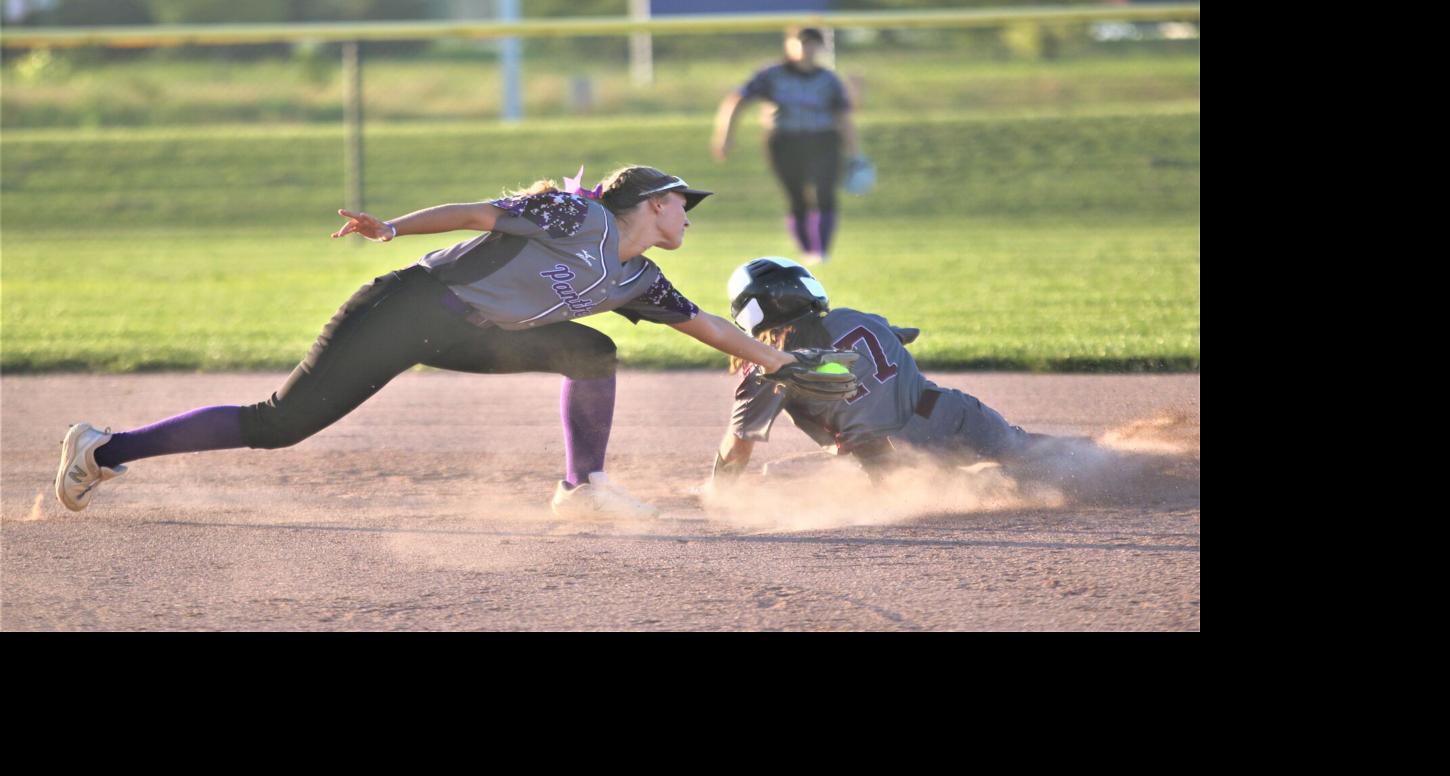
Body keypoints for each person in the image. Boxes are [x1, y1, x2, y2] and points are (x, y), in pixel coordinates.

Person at [55, 165, 852, 520]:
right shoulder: (577, 218)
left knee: (593, 352)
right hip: (407, 308)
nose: (689, 215)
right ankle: (102, 447)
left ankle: (583, 488)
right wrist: (393, 227)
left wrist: (782, 360)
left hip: (473, 333)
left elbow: (708, 328)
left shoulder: (639, 279)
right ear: (647, 202)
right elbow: (478, 213)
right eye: (684, 202)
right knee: (277, 423)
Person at [708, 257, 1079, 489]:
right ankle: (1103, 463)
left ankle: (1004, 487)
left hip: (884, 455)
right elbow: (901, 335)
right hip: (949, 414)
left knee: (956, 492)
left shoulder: (766, 369)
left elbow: (739, 443)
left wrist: (718, 494)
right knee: (1020, 447)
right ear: (809, 290)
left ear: (747, 315)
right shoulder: (856, 318)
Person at [711, 26, 857, 265]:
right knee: (796, 196)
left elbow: (843, 116)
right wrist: (724, 136)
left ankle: (822, 252)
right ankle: (807, 251)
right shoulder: (772, 75)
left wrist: (854, 152)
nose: (806, 48)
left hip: (823, 139)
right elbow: (737, 100)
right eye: (801, 42)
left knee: (824, 193)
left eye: (812, 43)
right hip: (784, 141)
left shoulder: (828, 79)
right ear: (789, 45)